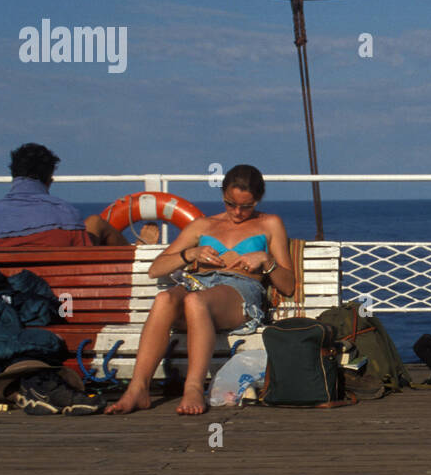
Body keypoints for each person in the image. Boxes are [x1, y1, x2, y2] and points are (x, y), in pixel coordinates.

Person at [106, 164, 295, 416]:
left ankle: (193, 387)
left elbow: (288, 285)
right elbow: (156, 269)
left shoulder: (270, 223)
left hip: (238, 291)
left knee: (196, 301)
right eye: (230, 204)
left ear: (258, 200)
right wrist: (191, 253)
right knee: (164, 298)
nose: (237, 213)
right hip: (199, 284)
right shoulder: (202, 225)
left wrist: (265, 260)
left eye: (246, 206)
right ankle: (138, 388)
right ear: (223, 196)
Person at [0, 143, 154, 247]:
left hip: (3, 303)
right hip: (61, 302)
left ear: (13, 176)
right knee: (95, 223)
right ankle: (136, 253)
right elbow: (87, 263)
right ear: (49, 179)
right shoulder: (65, 215)